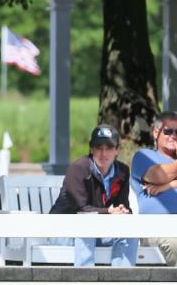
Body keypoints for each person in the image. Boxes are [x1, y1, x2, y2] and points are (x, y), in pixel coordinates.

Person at [49, 124, 134, 267]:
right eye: (99, 147)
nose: (103, 153)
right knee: (87, 224)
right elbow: (82, 208)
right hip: (62, 232)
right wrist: (109, 211)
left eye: (109, 148)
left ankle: (123, 281)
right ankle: (85, 283)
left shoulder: (123, 171)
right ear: (91, 148)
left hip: (96, 230)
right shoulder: (78, 169)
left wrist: (123, 211)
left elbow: (122, 204)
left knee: (128, 230)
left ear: (117, 150)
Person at [131, 111, 177, 265]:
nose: (174, 135)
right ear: (156, 133)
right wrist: (165, 182)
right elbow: (159, 175)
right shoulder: (144, 156)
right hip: (157, 228)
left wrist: (168, 185)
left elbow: (165, 180)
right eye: (168, 131)